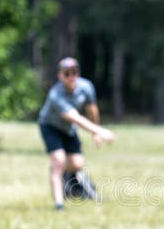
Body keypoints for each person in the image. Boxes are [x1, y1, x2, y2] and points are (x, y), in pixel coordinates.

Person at [38, 57, 115, 210]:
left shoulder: (86, 87)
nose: (71, 76)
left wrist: (95, 133)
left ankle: (61, 171)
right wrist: (100, 131)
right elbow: (76, 118)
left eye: (74, 72)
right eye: (66, 74)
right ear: (60, 76)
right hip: (50, 126)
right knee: (59, 161)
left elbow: (92, 110)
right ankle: (59, 204)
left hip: (69, 128)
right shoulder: (56, 95)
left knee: (77, 163)